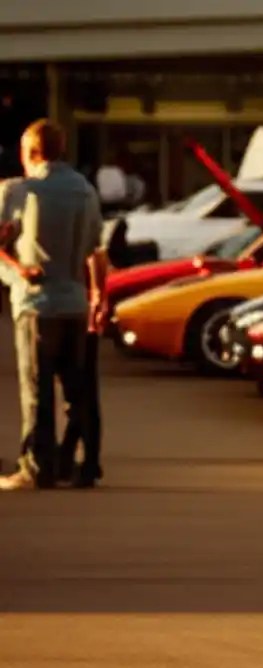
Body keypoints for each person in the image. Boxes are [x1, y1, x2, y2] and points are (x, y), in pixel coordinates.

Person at [0, 120, 107, 491]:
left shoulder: (18, 191)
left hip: (35, 305)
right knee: (76, 389)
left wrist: (16, 269)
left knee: (36, 389)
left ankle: (36, 467)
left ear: (31, 153)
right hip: (75, 303)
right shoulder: (85, 190)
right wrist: (98, 296)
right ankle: (75, 462)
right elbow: (96, 249)